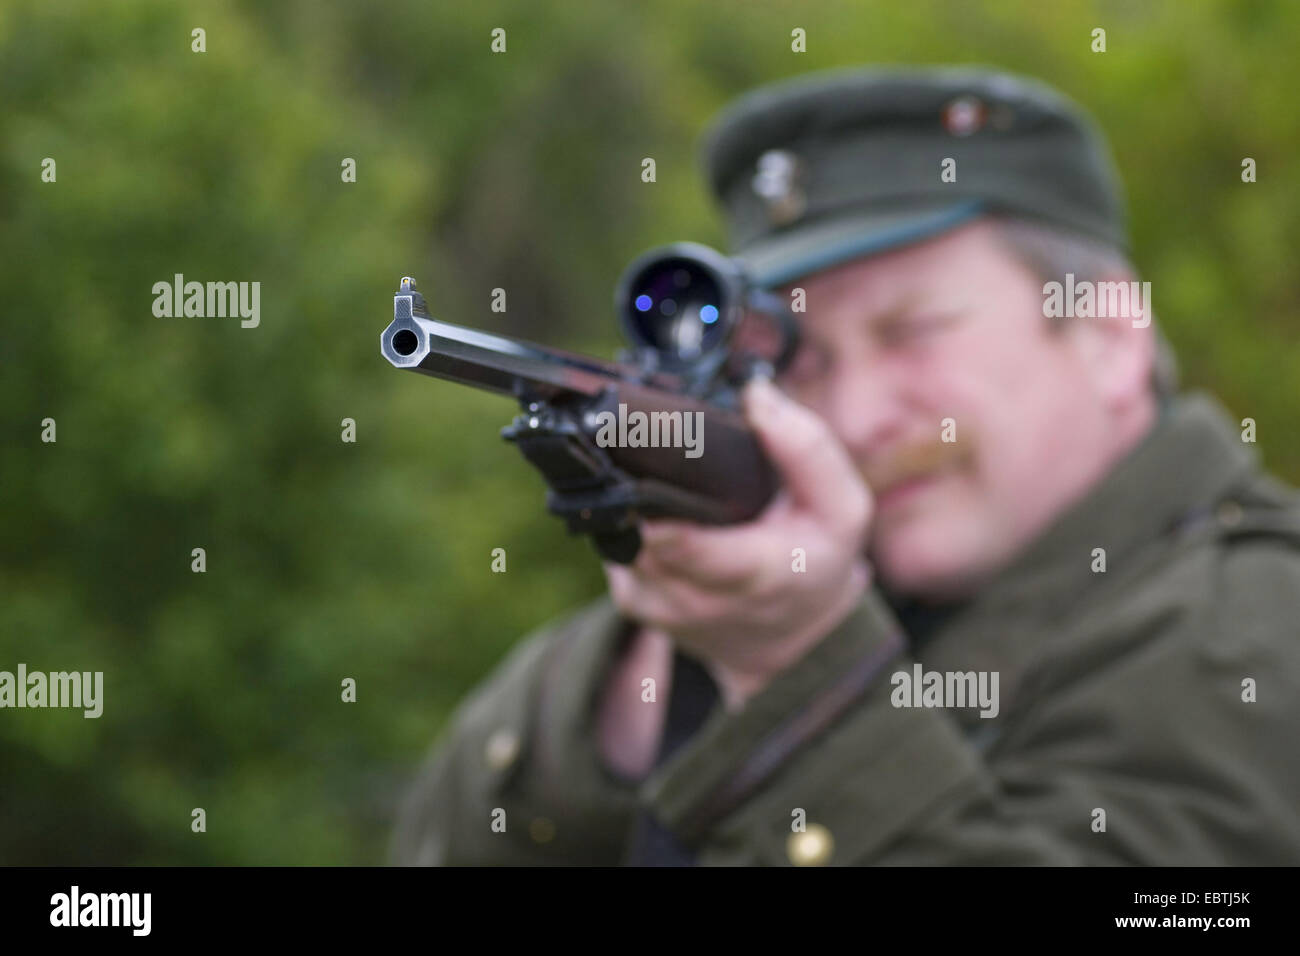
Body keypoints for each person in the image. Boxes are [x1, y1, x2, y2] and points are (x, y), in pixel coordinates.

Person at [390, 65, 1300, 866]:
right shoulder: (832, 595)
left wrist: (798, 677)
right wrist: (666, 666)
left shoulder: (1260, 626)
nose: (856, 417)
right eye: (801, 360)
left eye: (913, 331)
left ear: (1105, 333)